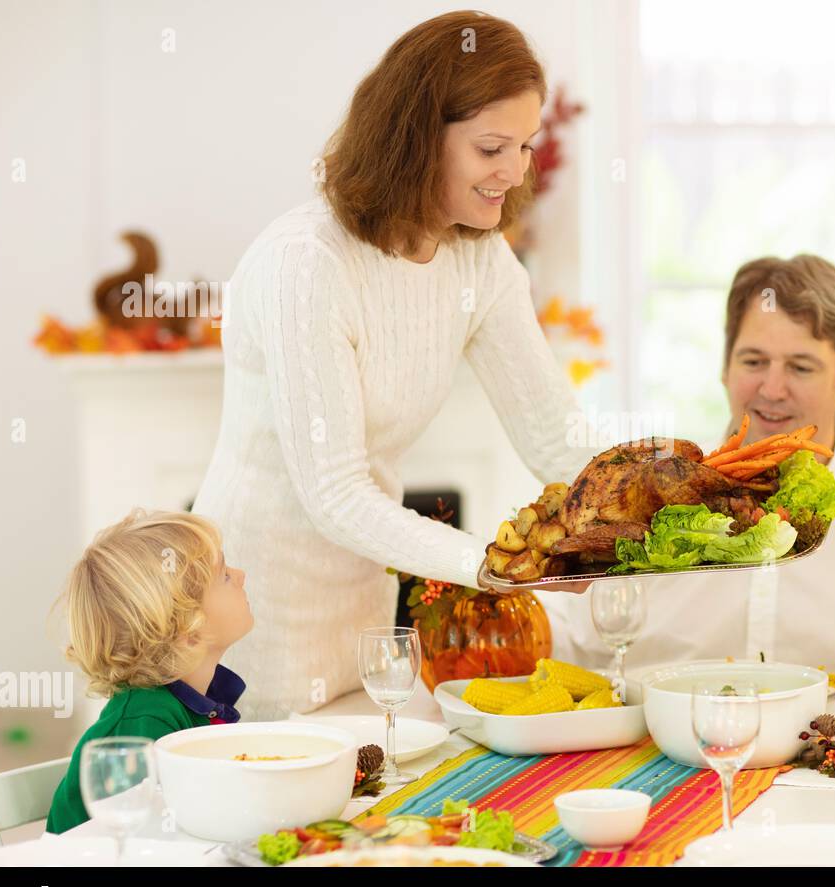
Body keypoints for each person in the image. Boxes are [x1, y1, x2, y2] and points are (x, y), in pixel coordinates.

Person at [191, 12, 593, 719]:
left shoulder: (479, 257)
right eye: (492, 147)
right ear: (414, 138)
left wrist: (665, 511)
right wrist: (498, 566)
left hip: (365, 598)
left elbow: (552, 434)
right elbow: (336, 493)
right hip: (254, 603)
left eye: (525, 147)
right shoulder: (307, 264)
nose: (515, 171)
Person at [543, 254, 835, 677]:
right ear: (725, 366)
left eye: (800, 367)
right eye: (753, 362)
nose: (771, 389)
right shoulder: (645, 491)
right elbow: (575, 636)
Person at [47, 510, 251, 833]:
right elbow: (145, 842)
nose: (241, 575)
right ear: (189, 629)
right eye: (224, 575)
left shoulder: (201, 698)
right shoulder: (144, 721)